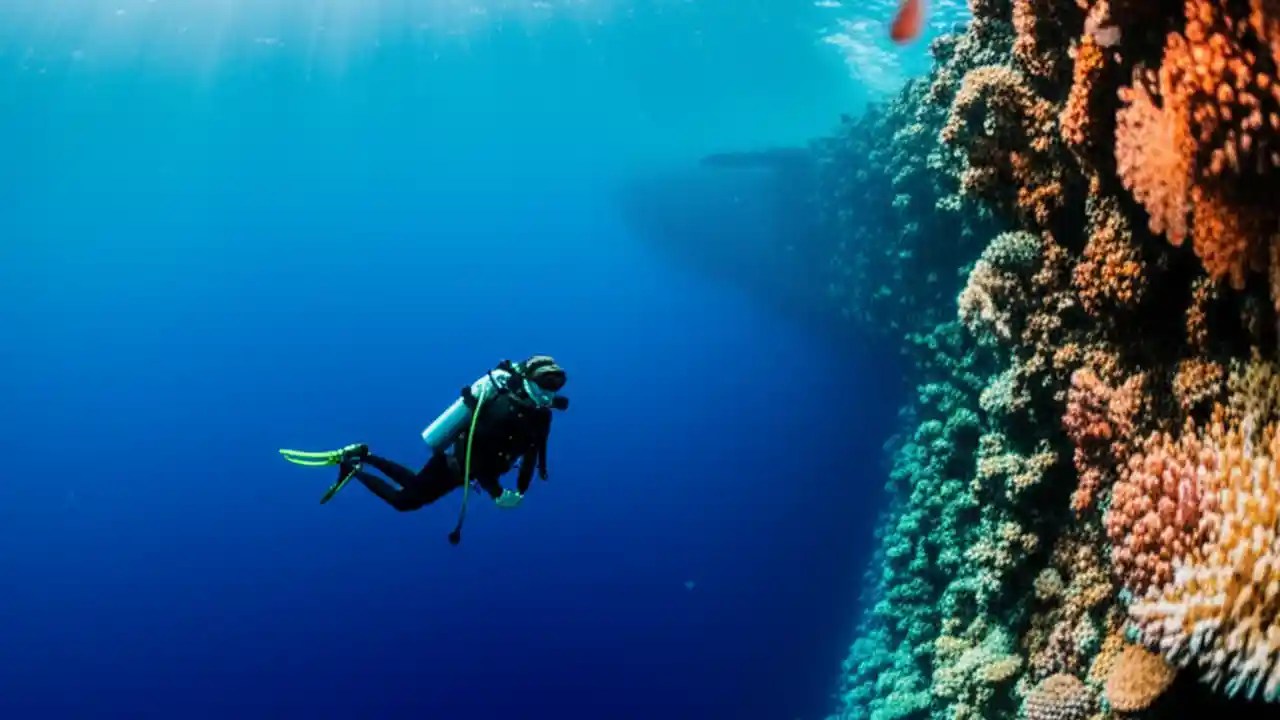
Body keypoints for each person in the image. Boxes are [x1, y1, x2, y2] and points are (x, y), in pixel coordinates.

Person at [280, 355, 569, 543]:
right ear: (529, 381)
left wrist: (521, 489)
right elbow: (476, 454)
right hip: (454, 465)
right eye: (545, 384)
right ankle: (352, 466)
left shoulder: (541, 416)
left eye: (555, 386)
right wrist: (496, 493)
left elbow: (534, 452)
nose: (549, 393)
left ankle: (364, 455)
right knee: (404, 502)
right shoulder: (503, 411)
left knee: (413, 483)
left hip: (460, 471)